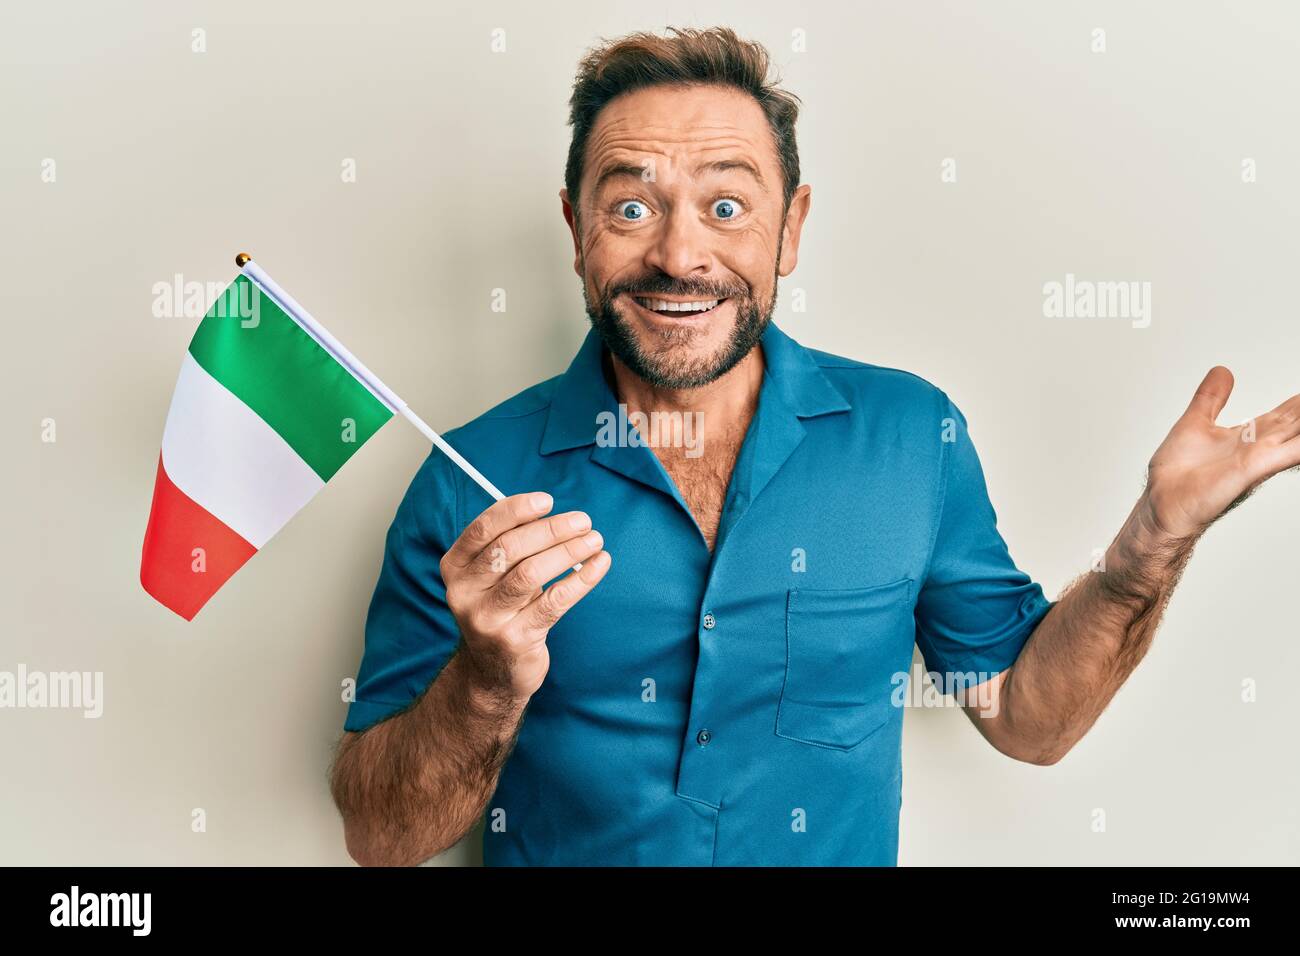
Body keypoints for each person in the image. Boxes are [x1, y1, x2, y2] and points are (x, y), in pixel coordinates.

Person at [329, 27, 1300, 866]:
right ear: (574, 226)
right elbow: (385, 837)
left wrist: (1152, 542)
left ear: (790, 227)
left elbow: (1028, 718)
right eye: (629, 206)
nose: (677, 252)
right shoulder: (469, 474)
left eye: (726, 204)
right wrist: (487, 680)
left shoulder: (913, 436)